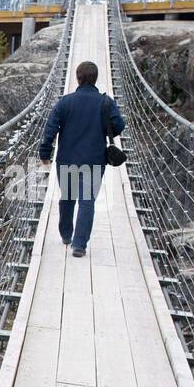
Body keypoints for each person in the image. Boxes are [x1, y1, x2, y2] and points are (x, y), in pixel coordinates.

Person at [38, 60, 125, 257]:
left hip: (67, 159)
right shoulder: (106, 102)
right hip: (94, 159)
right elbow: (118, 127)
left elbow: (50, 130)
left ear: (77, 78)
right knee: (87, 201)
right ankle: (79, 245)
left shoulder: (64, 102)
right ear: (95, 78)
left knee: (67, 197)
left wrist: (45, 153)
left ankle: (66, 234)